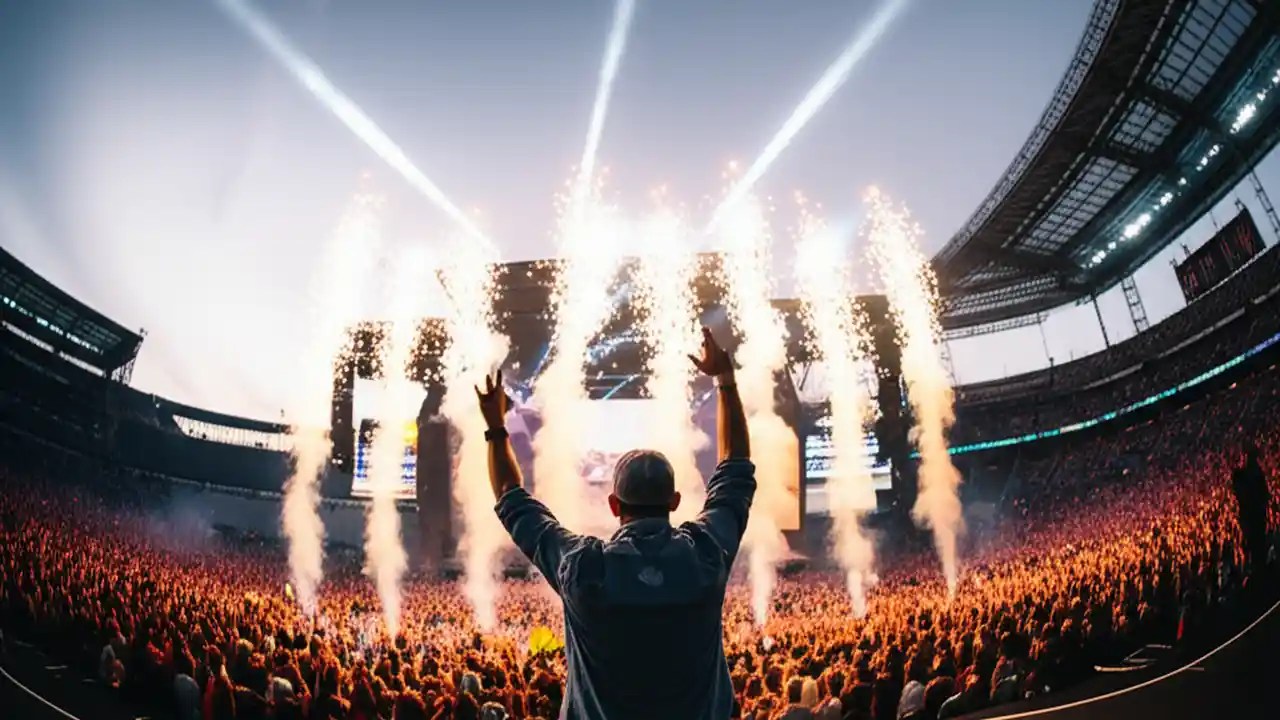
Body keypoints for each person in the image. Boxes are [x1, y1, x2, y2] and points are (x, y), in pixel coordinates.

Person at [476, 326, 755, 719]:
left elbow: (510, 495)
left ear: (613, 504)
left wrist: (494, 425)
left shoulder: (585, 568)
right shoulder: (705, 557)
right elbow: (737, 469)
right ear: (674, 502)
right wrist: (725, 381)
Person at [1231, 441, 1271, 573]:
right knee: (1255, 545)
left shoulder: (1249, 475)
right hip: (1255, 518)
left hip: (1252, 518)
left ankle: (1254, 570)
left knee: (1252, 545)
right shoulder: (1256, 475)